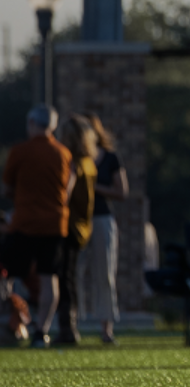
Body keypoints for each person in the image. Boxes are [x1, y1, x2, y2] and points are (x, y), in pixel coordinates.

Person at [1, 105, 73, 348]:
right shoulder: (63, 153)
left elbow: (7, 187)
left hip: (24, 222)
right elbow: (66, 189)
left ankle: (8, 321)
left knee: (5, 271)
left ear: (31, 123)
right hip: (54, 224)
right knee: (49, 277)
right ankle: (42, 331)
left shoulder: (20, 152)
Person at [56, 114, 99, 345]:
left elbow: (65, 195)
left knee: (64, 277)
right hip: (83, 226)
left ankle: (67, 327)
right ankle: (70, 326)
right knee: (70, 276)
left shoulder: (73, 164)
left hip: (68, 225)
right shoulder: (89, 162)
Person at [84, 114, 127, 343]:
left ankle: (106, 328)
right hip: (78, 220)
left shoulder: (110, 158)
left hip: (102, 219)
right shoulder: (74, 157)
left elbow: (122, 192)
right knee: (74, 273)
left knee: (105, 273)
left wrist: (94, 187)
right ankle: (73, 323)